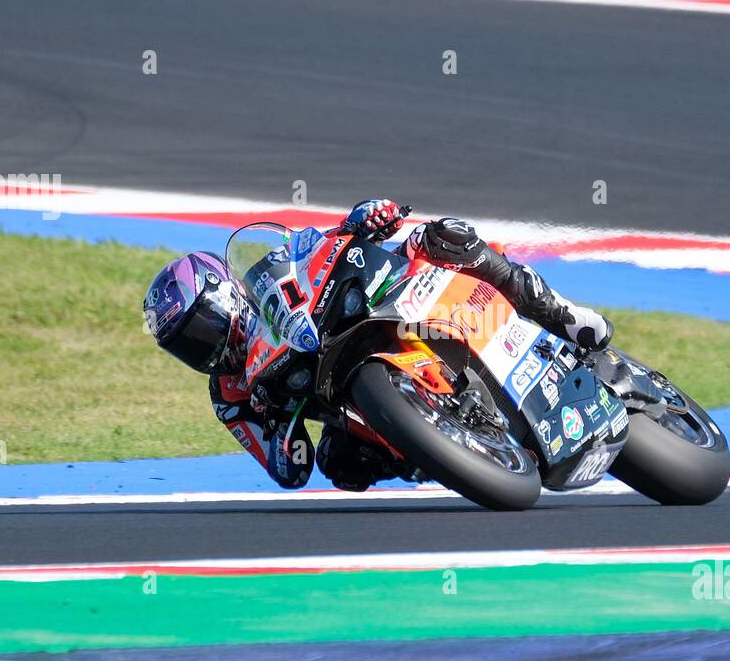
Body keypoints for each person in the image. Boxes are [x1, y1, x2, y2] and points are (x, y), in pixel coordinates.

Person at [143, 199, 613, 492]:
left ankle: (561, 314)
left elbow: (320, 244)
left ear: (225, 295)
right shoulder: (229, 396)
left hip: (379, 305)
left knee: (447, 234)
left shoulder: (268, 277)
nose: (200, 348)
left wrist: (364, 218)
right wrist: (282, 428)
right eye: (186, 345)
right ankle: (443, 450)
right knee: (341, 466)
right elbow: (289, 471)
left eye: (200, 328)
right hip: (343, 395)